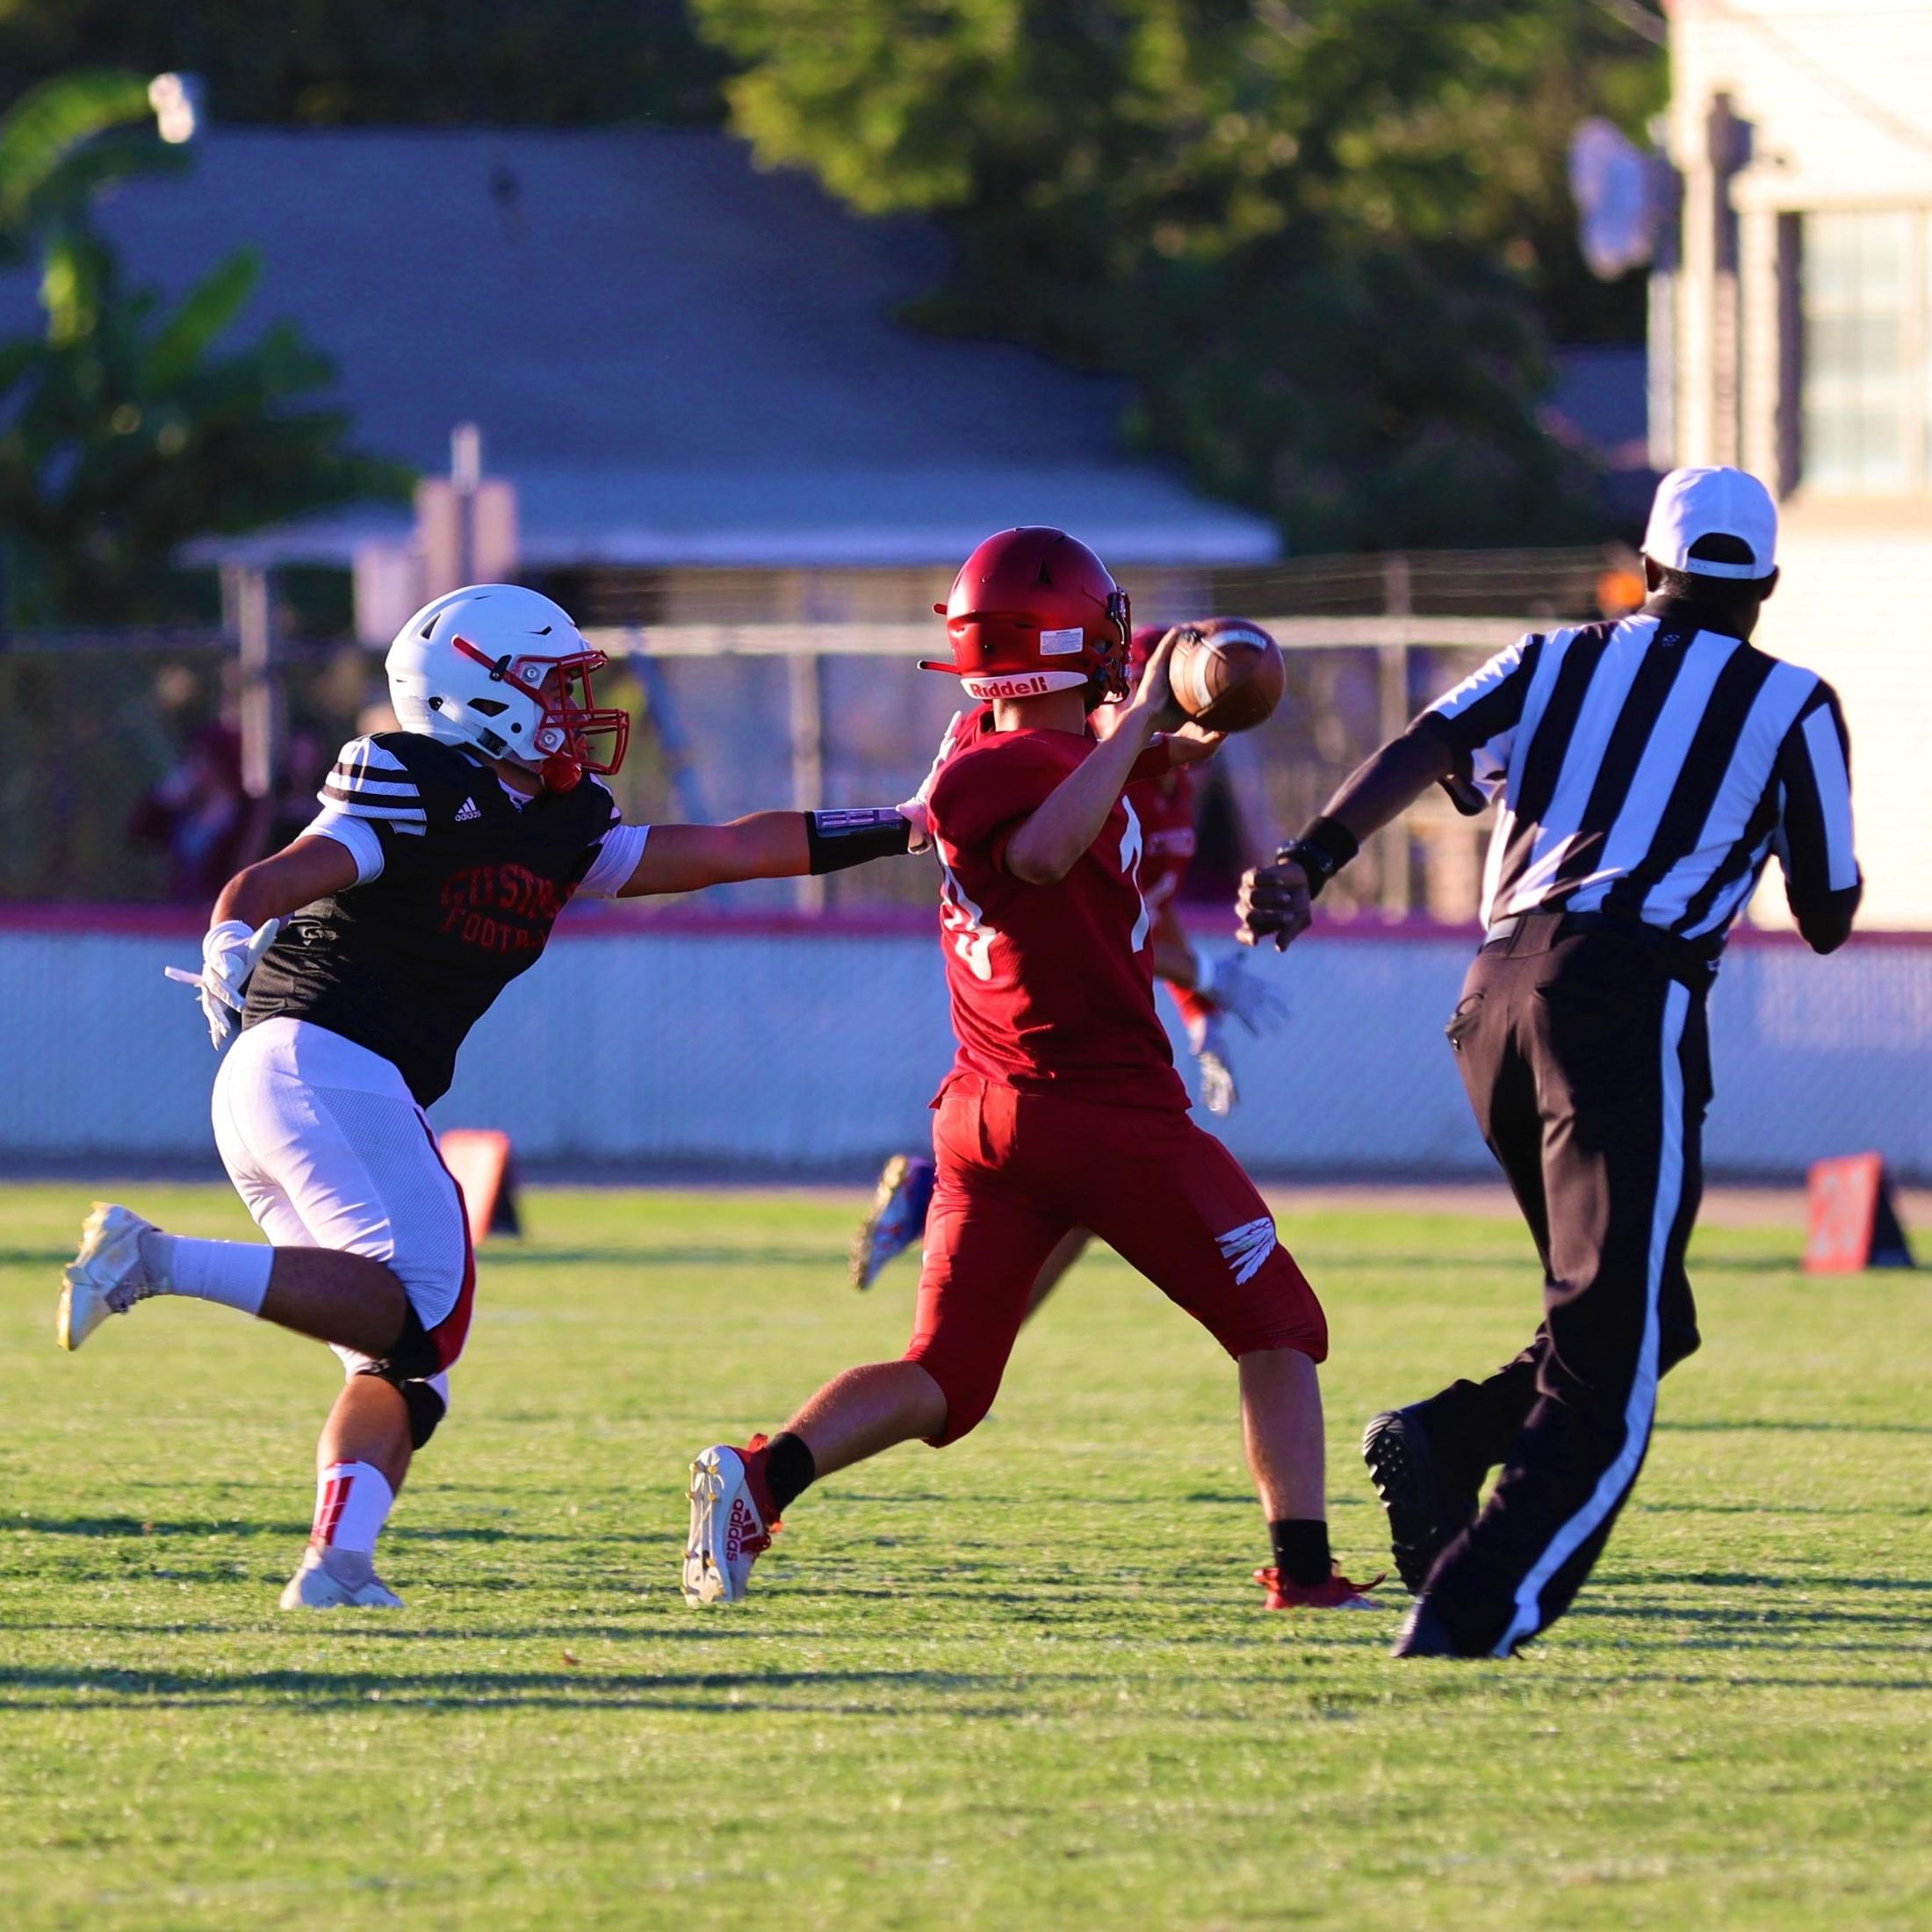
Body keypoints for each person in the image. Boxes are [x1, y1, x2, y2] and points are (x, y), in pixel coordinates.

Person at [59, 583, 923, 1610]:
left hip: (316, 1079)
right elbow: (289, 868)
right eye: (554, 685)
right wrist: (232, 931)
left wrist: (902, 825)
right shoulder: (415, 780)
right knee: (422, 1310)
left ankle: (336, 1568)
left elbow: (729, 848)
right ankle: (152, 1260)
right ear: (479, 692)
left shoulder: (560, 822)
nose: (574, 705)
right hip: (321, 1058)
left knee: (406, 1364)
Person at [682, 527, 1381, 1613]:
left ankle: (761, 1478)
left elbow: (1149, 752)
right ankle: (1303, 1573)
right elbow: (1048, 847)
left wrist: (1203, 685)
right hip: (1100, 1111)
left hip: (986, 1112)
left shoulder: (1000, 739)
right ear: (1074, 640)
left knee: (948, 1381)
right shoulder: (1009, 770)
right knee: (1280, 1325)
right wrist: (1146, 710)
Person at [1238, 466, 1862, 1658]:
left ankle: (1449, 1439)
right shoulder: (1792, 704)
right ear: (1766, 587)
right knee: (1611, 1357)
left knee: (1639, 1316)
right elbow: (1828, 913)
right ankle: (1472, 1617)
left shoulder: (1554, 655)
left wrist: (1310, 859)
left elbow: (1430, 740)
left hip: (1491, 1007)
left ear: (1652, 567)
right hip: (1622, 1005)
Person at [849, 623, 1287, 1302]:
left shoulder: (1162, 775)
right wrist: (1202, 978)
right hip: (1059, 1026)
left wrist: (1200, 1015)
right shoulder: (1085, 773)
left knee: (1070, 1204)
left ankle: (966, 1342)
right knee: (1267, 1313)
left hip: (1094, 1026)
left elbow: (1152, 909)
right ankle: (932, 1204)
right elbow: (1049, 866)